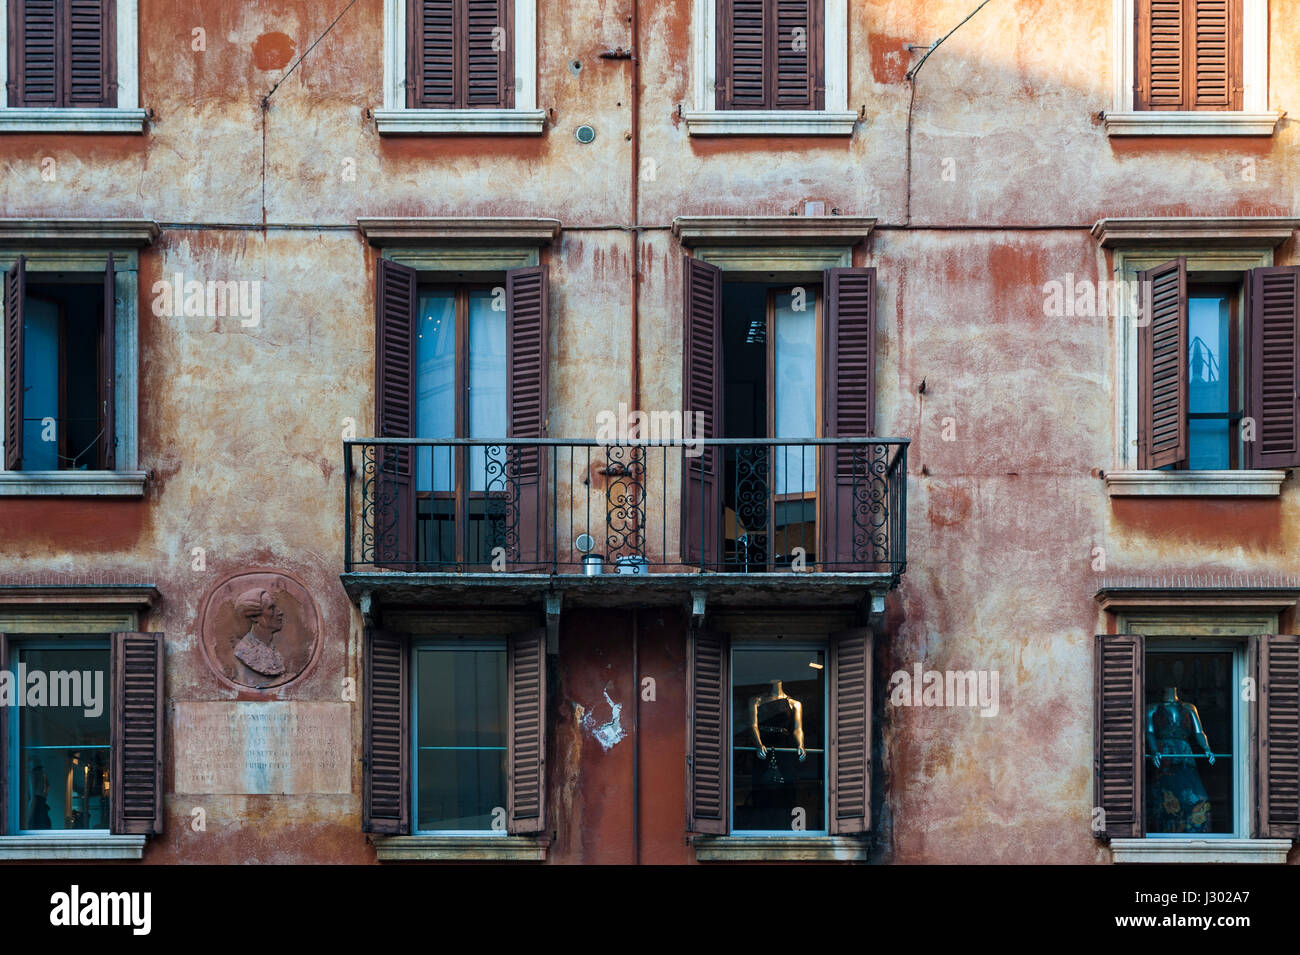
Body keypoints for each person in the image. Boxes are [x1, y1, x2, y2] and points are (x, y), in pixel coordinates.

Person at [231, 588, 287, 685]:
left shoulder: (272, 650)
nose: (280, 612)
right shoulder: (244, 650)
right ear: (254, 617)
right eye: (271, 608)